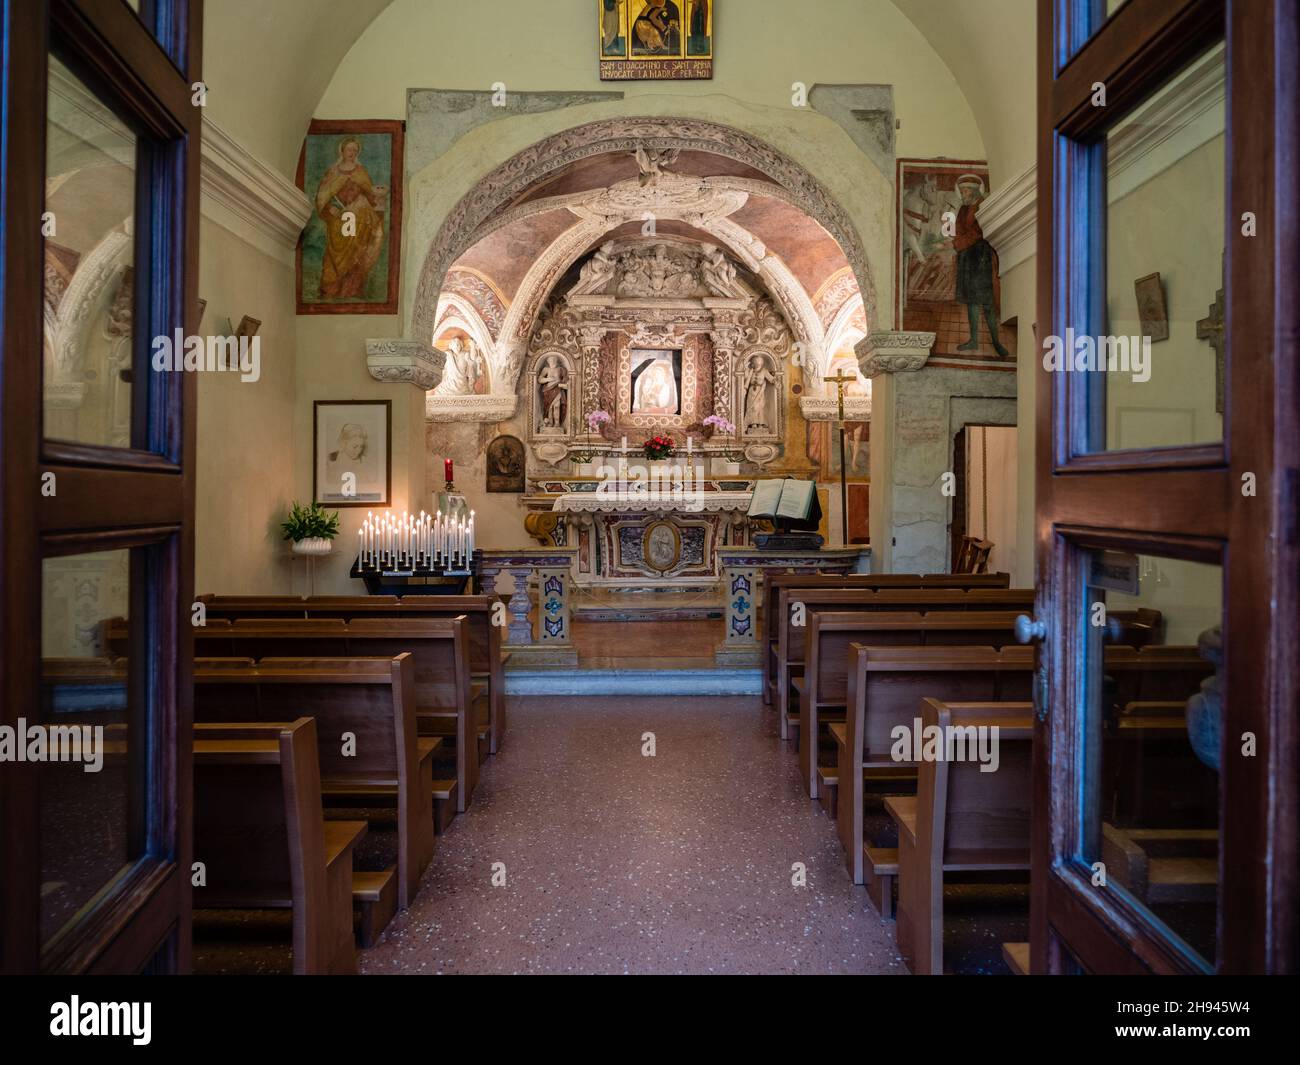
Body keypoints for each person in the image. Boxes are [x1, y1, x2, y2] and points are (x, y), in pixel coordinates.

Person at [314, 137, 387, 300]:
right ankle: (331, 291)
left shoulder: (361, 172)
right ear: (342, 151)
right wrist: (329, 208)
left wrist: (378, 199)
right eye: (349, 149)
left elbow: (371, 194)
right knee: (333, 257)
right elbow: (321, 197)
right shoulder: (333, 172)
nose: (352, 153)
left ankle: (351, 290)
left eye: (355, 150)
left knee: (357, 254)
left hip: (359, 221)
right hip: (338, 221)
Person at [953, 175, 1010, 357]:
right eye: (962, 191)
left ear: (976, 190)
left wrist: (958, 243)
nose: (964, 194)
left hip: (981, 257)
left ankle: (996, 342)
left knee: (987, 303)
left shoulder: (983, 205)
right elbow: (960, 230)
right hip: (967, 259)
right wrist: (959, 242)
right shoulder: (962, 209)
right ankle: (973, 340)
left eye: (966, 190)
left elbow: (979, 231)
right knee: (971, 301)